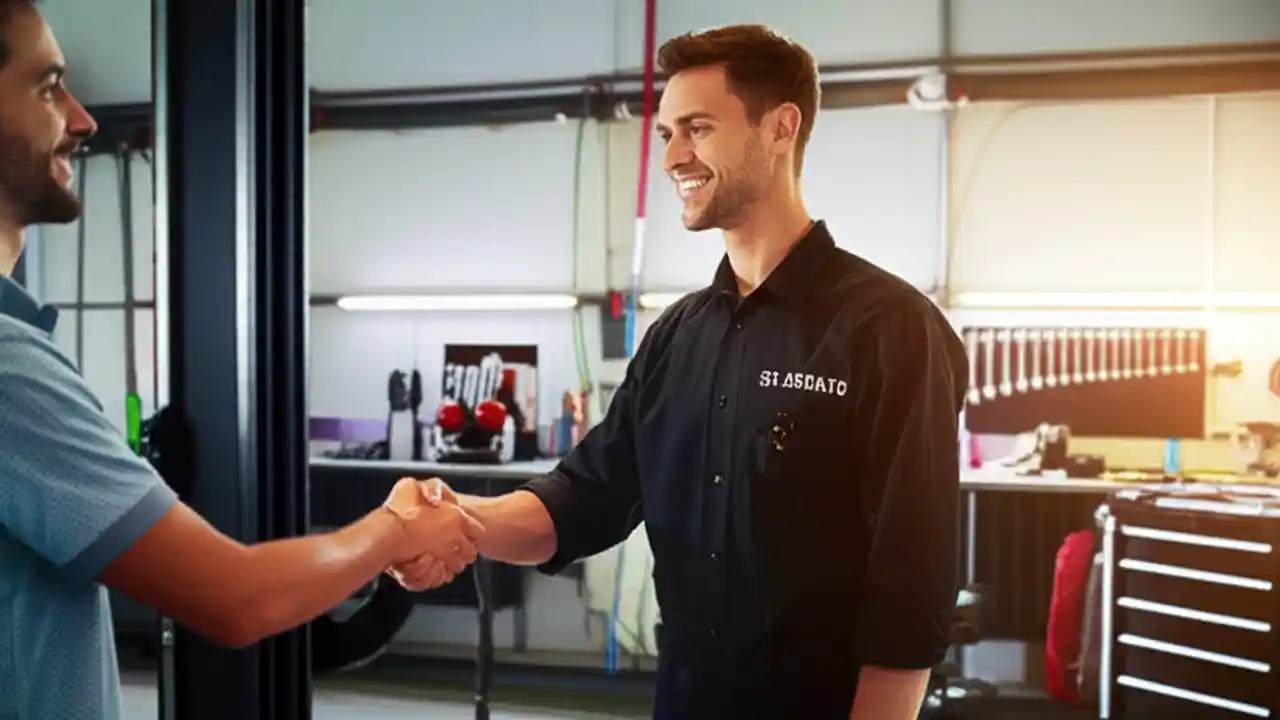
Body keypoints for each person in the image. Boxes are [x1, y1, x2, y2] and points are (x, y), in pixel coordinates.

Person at [390, 24, 970, 719]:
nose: (672, 157)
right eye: (667, 134)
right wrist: (459, 516)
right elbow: (585, 497)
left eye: (697, 128)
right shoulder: (676, 338)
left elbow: (912, 581)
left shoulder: (891, 329)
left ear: (781, 128)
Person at [0, 3, 483, 718]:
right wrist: (397, 529)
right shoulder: (8, 369)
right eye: (48, 87)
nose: (83, 119)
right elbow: (235, 597)